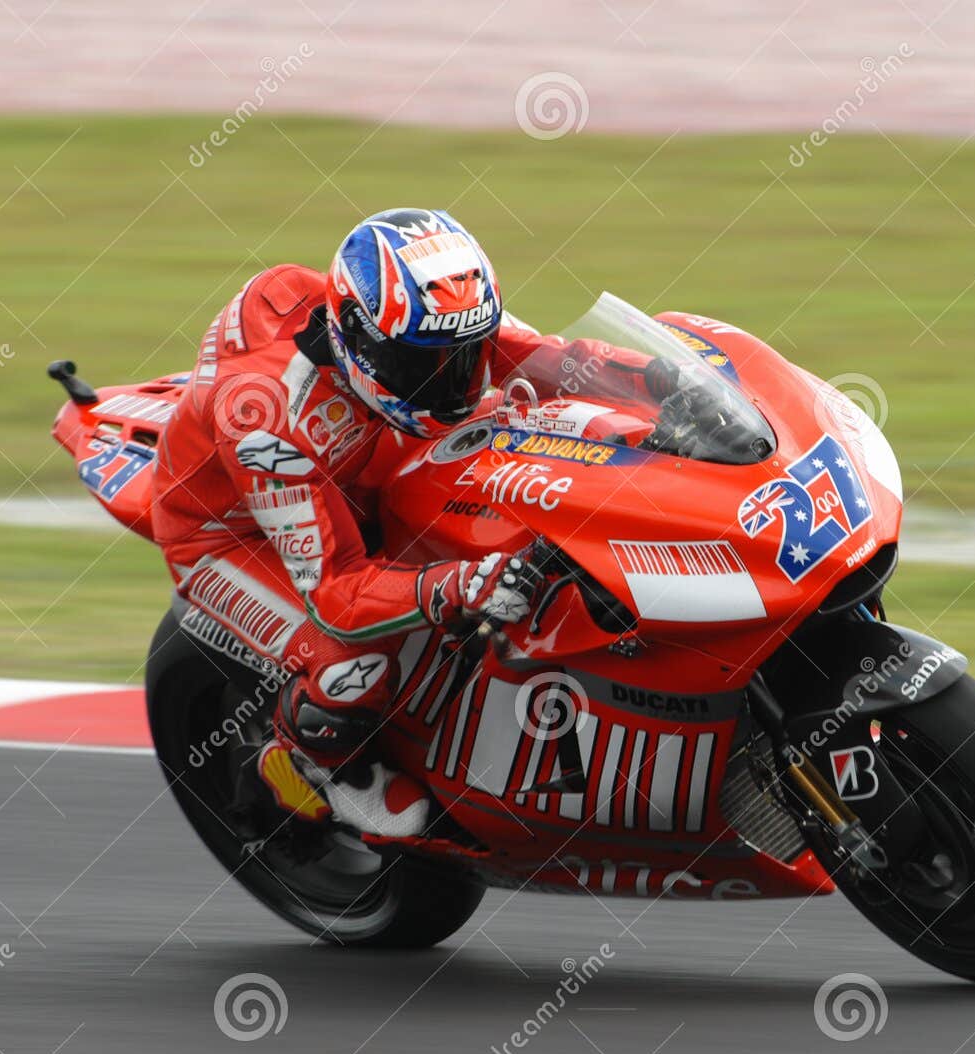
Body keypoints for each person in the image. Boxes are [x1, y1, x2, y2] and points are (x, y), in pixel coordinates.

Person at [152, 208, 653, 837]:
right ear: (361, 342)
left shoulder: (420, 321)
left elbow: (544, 357)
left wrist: (659, 382)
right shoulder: (268, 418)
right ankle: (310, 764)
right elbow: (335, 591)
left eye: (463, 356)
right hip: (230, 536)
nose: (455, 381)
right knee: (352, 664)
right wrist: (459, 585)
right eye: (427, 365)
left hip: (359, 463)